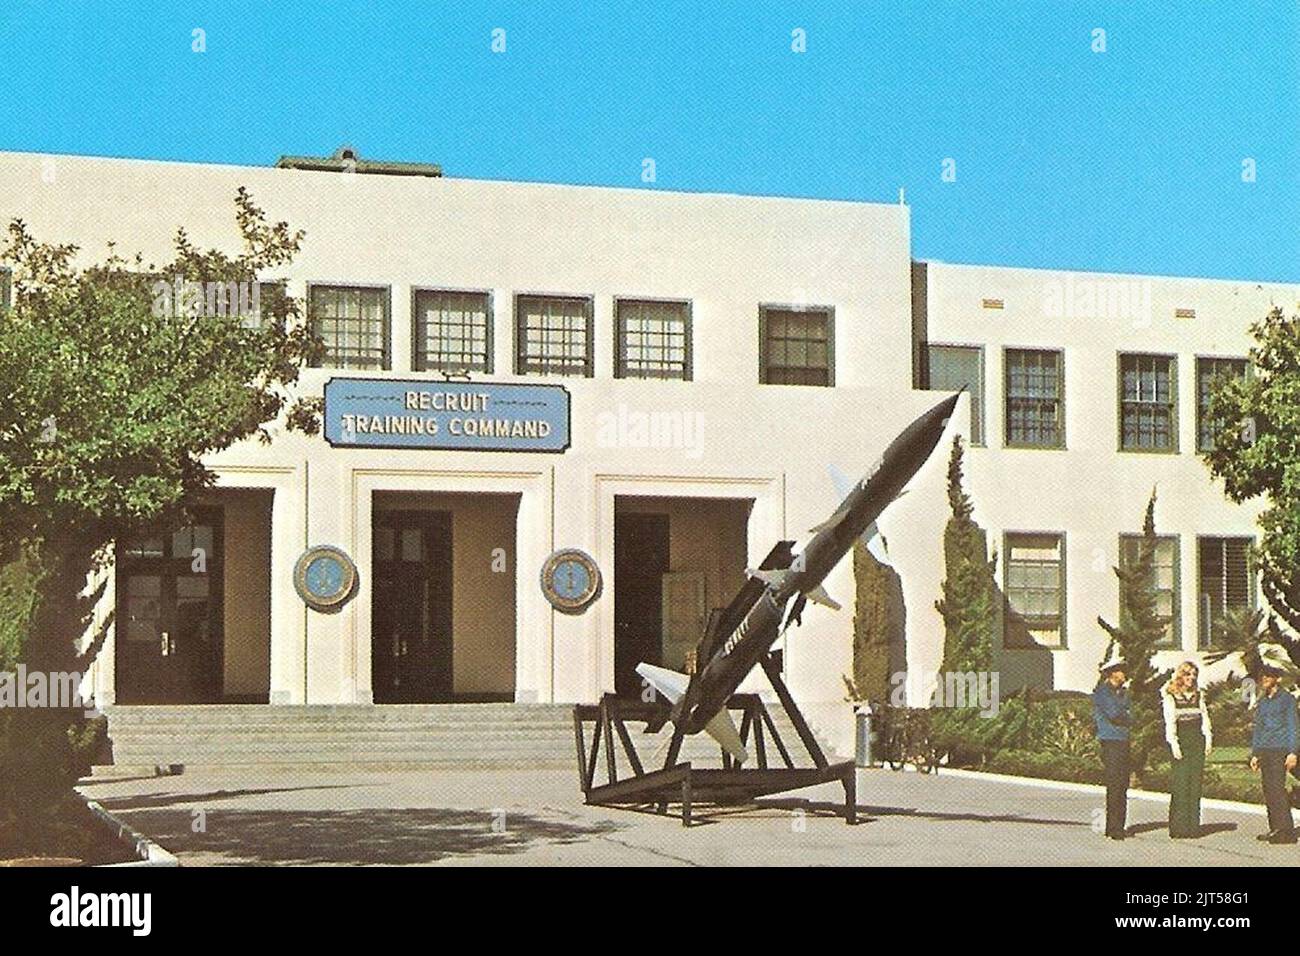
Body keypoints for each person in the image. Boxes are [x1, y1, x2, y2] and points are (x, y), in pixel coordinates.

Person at [1249, 649, 1298, 845]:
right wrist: (1255, 754)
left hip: (1280, 750)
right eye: (1262, 677)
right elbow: (1258, 729)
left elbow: (1294, 726)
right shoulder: (1263, 702)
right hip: (1265, 750)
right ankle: (1275, 828)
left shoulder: (1287, 700)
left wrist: (1293, 752)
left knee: (1277, 789)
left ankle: (1285, 831)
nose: (1264, 680)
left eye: (1268, 677)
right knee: (1268, 789)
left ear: (1276, 679)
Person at [1162, 661, 1212, 839]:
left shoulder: (1199, 695)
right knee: (1181, 783)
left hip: (1196, 740)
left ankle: (1192, 827)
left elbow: (1205, 717)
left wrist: (1208, 739)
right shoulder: (1171, 696)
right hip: (1181, 740)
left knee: (1195, 783)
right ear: (1180, 676)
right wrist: (1174, 744)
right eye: (1187, 674)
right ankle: (1178, 827)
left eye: (1193, 675)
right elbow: (1170, 722)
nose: (1191, 678)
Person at [1092, 650, 1131, 840]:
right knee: (1114, 784)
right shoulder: (1102, 692)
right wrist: (1127, 714)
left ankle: (1119, 825)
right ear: (1112, 673)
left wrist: (1127, 715)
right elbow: (1114, 714)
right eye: (1122, 671)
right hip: (1111, 741)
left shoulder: (1123, 692)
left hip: (1124, 740)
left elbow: (1132, 714)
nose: (1125, 674)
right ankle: (1113, 827)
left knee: (1122, 784)